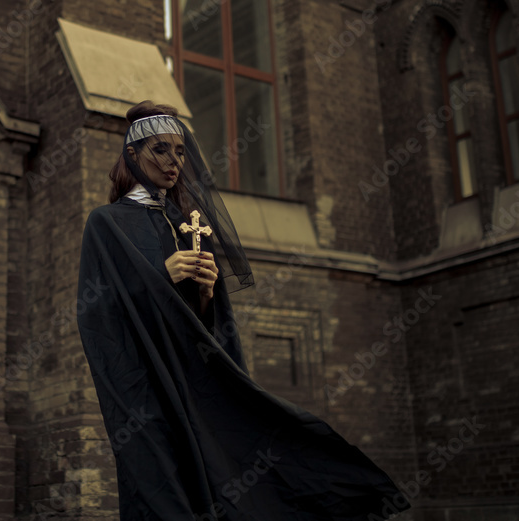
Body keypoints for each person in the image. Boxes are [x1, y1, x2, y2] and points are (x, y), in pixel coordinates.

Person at [76, 100, 408, 521]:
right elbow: (99, 313)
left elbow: (203, 324)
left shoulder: (188, 222)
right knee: (159, 481)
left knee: (229, 466)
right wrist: (162, 275)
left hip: (193, 378)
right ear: (132, 154)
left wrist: (206, 294)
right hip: (144, 383)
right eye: (161, 149)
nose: (174, 161)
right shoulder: (106, 223)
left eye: (180, 151)